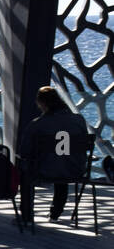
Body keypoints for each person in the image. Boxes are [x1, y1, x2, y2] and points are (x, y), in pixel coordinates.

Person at [19, 86, 89, 225]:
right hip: (75, 170)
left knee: (27, 172)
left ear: (42, 103)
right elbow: (85, 144)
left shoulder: (37, 124)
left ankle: (26, 216)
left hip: (44, 171)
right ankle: (56, 212)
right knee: (62, 160)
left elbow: (24, 151)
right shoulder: (79, 120)